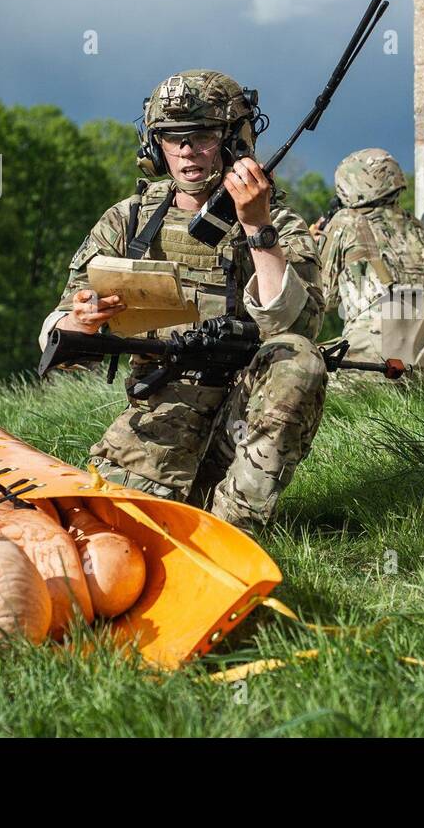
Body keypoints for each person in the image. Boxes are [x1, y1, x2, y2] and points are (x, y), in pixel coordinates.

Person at [40, 70, 327, 530]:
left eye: (202, 135)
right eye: (172, 139)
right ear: (155, 147)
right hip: (159, 415)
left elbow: (299, 327)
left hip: (240, 419)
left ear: (235, 140)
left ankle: (235, 528)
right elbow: (59, 335)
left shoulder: (278, 224)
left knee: (300, 359)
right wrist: (83, 322)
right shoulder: (127, 221)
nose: (187, 150)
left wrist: (256, 226)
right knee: (110, 532)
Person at [314, 148, 424, 382]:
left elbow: (323, 299)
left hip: (372, 366)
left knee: (300, 367)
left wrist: (314, 248)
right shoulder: (416, 228)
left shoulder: (345, 222)